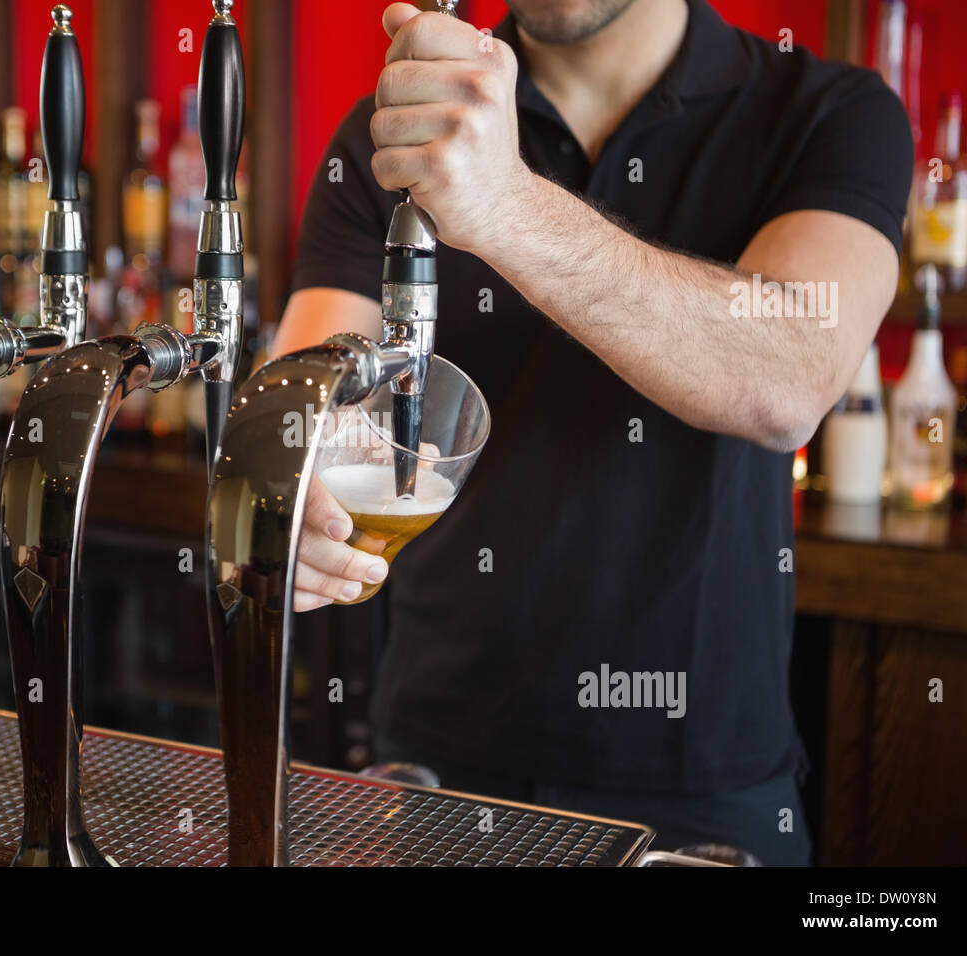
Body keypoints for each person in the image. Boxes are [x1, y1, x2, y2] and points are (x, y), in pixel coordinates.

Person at [273, 0, 912, 866]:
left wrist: (507, 206)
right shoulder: (407, 124)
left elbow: (792, 372)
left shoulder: (829, 110)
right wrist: (291, 482)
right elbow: (307, 395)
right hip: (440, 765)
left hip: (703, 786)